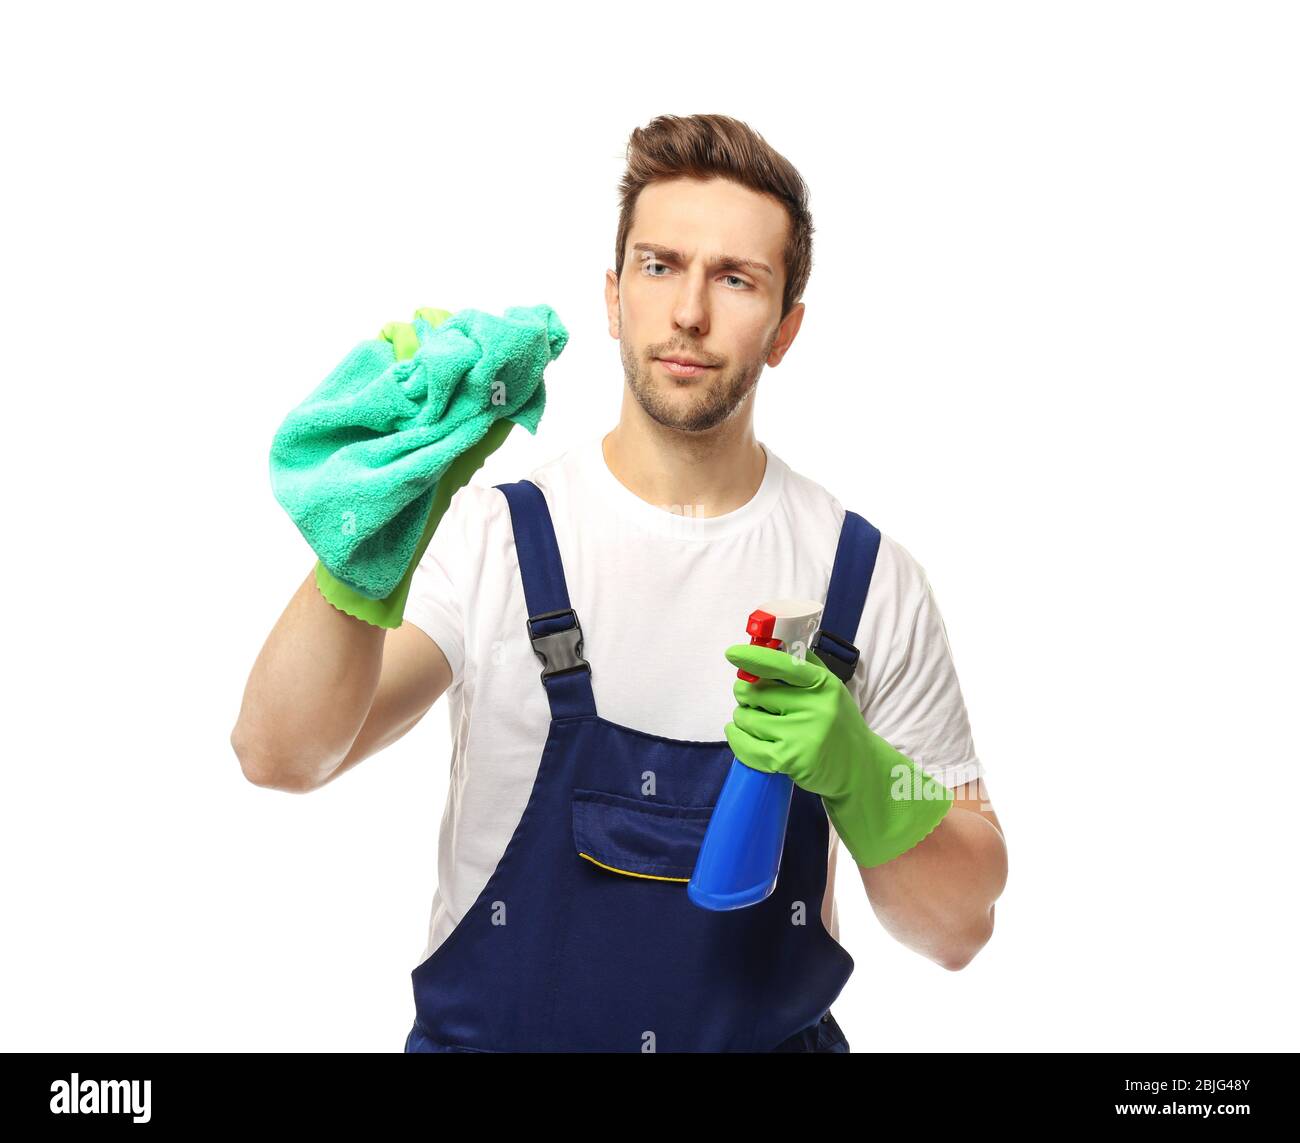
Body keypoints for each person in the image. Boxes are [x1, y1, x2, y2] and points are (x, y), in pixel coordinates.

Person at [232, 112, 1008, 1053]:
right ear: (611, 297)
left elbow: (960, 929)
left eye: (735, 278)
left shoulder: (867, 578)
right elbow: (282, 756)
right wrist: (357, 556)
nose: (688, 311)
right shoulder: (494, 537)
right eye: (658, 265)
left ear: (786, 327)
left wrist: (862, 774)